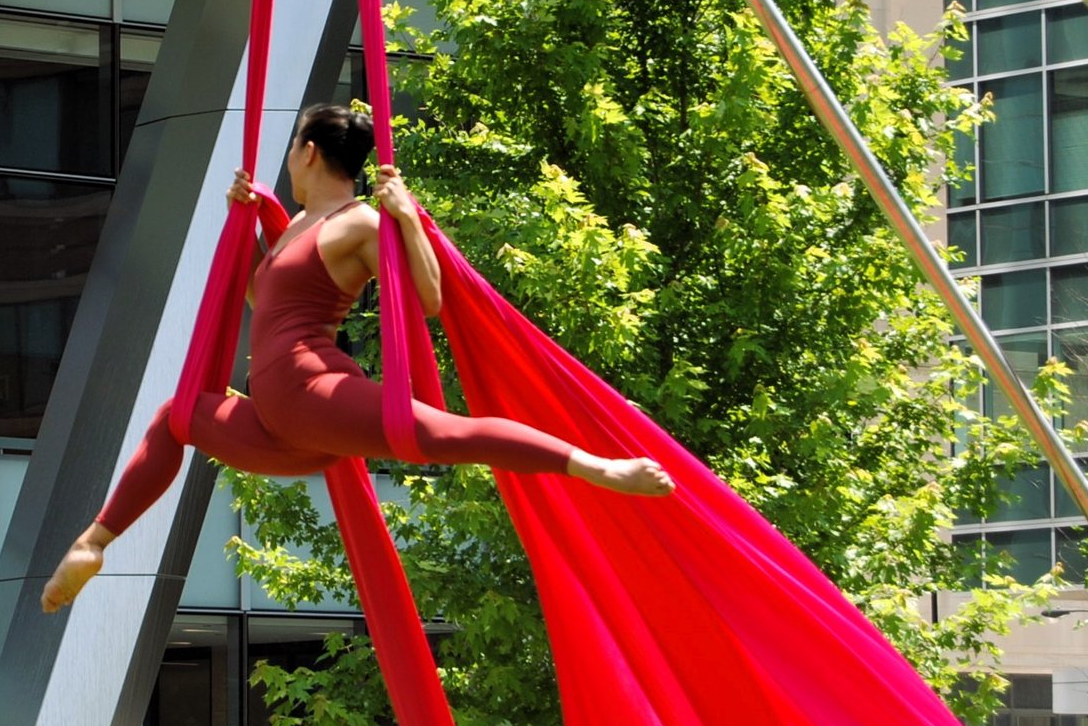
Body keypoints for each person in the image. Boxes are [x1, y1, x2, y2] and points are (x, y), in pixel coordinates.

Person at [43, 105, 672, 611]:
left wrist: (407, 221)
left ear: (309, 151)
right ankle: (92, 544)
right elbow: (264, 297)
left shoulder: (359, 222)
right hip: (282, 429)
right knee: (175, 416)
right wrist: (256, 214)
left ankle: (595, 468)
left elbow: (428, 299)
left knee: (446, 434)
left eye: (292, 146)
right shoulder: (296, 227)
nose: (288, 157)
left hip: (314, 391)